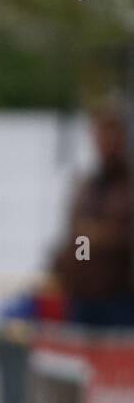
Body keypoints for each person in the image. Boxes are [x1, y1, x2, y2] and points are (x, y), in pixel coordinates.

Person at [53, 104, 134, 327]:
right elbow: (78, 238)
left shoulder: (126, 186)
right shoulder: (87, 186)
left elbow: (118, 236)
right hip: (84, 296)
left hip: (119, 298)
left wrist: (93, 235)